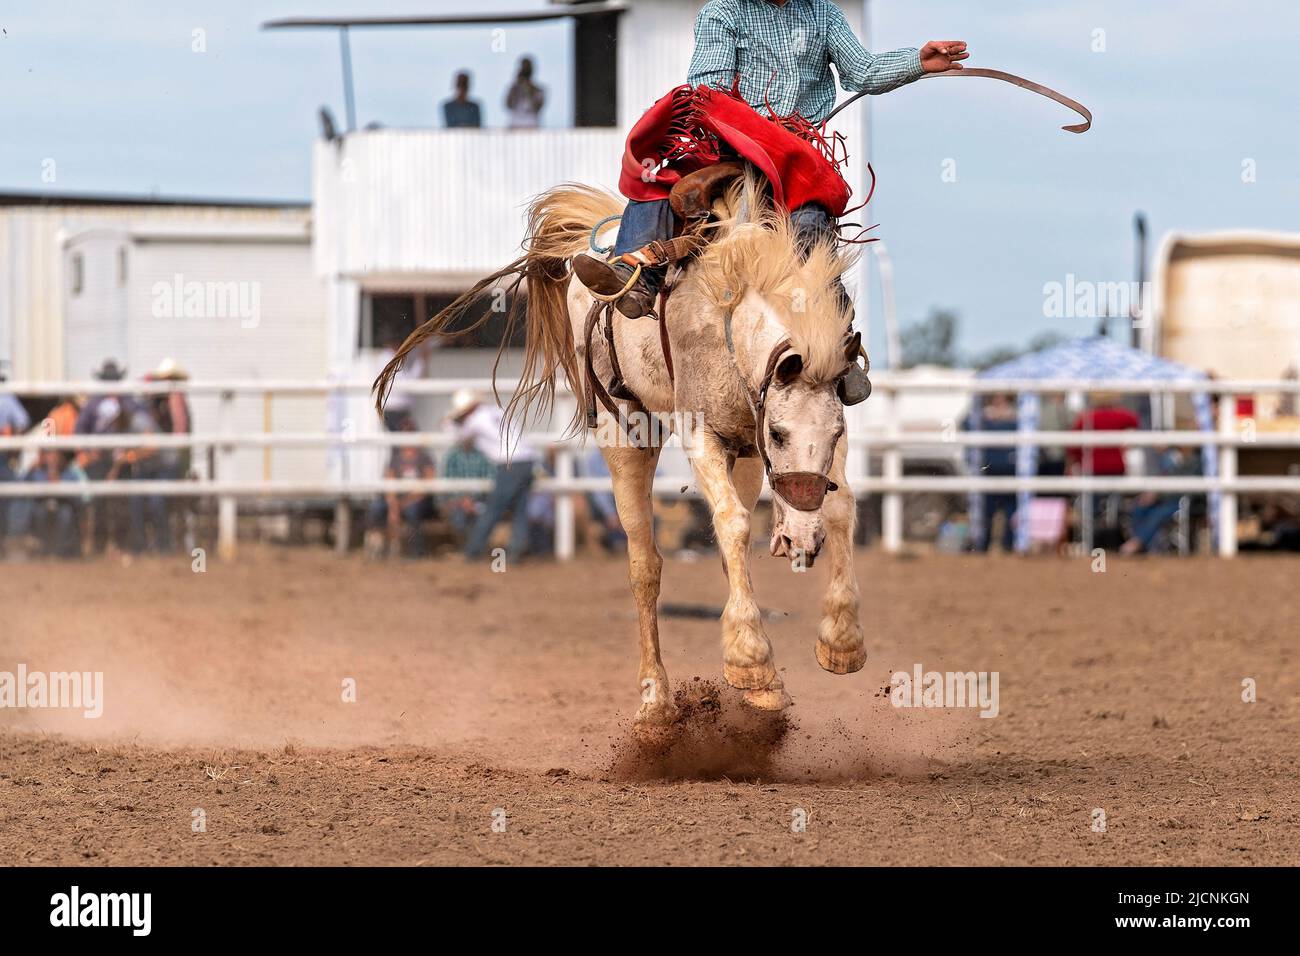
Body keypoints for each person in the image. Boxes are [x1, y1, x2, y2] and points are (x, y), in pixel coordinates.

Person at [571, 1, 966, 322]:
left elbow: (861, 72)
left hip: (797, 152)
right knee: (659, 174)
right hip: (732, 142)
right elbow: (709, 88)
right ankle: (637, 275)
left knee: (809, 220)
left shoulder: (823, 14)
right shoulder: (724, 12)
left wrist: (917, 61)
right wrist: (750, 130)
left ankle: (832, 329)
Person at [445, 388, 538, 561]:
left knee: (493, 509)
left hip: (510, 464)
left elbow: (460, 439)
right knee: (520, 509)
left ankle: (473, 551)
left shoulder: (474, 421)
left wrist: (450, 423)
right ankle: (516, 552)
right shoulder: (497, 411)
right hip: (527, 460)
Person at [367, 419, 437, 558]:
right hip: (398, 499)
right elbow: (389, 482)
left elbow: (429, 484)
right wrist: (393, 505)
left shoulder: (424, 457)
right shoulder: (395, 458)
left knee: (412, 511)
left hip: (418, 499)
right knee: (377, 508)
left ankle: (415, 550)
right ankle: (379, 547)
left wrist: (405, 502)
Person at [1120, 446, 1200, 555]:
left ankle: (1138, 542)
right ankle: (1140, 542)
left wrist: (1157, 495)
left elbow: (1185, 488)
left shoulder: (1196, 461)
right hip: (1167, 497)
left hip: (1181, 501)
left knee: (1158, 513)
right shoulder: (1174, 458)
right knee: (1139, 506)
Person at [8, 449, 87, 558]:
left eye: (56, 455)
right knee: (38, 513)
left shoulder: (69, 473)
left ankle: (61, 552)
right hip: (41, 505)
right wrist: (30, 470)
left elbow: (78, 498)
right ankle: (43, 550)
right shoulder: (37, 471)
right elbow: (19, 487)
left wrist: (60, 484)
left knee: (66, 515)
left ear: (62, 458)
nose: (53, 458)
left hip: (63, 506)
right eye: (49, 455)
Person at [975, 393, 1018, 553]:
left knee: (1010, 510)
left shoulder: (1016, 418)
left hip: (1009, 469)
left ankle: (1008, 544)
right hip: (991, 469)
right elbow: (966, 423)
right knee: (987, 510)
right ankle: (984, 544)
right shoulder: (984, 417)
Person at [439, 432, 494, 544]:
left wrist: (472, 500)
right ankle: (467, 549)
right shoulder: (452, 456)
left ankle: (475, 549)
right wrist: (462, 500)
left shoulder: (483, 455)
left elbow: (489, 479)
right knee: (459, 520)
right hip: (457, 502)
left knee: (483, 518)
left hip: (479, 501)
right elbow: (448, 482)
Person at [504, 56, 545, 129]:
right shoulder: (514, 88)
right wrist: (517, 84)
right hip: (515, 123)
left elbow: (537, 108)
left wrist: (527, 88)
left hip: (531, 124)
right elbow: (508, 105)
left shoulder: (538, 90)